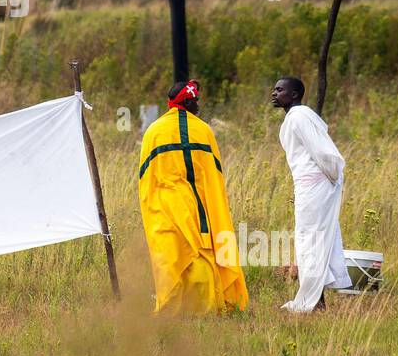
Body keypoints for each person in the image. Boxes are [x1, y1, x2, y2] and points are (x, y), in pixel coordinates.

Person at [137, 79, 248, 314]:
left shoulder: (153, 131)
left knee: (170, 255)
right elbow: (213, 177)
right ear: (187, 101)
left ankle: (171, 310)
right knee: (202, 253)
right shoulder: (204, 130)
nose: (198, 104)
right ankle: (206, 308)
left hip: (164, 206)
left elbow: (146, 181)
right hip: (199, 205)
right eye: (195, 100)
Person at [270, 76, 352, 312]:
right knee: (311, 240)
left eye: (280, 89)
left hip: (316, 186)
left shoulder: (300, 116)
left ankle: (313, 301)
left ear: (294, 94)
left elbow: (325, 153)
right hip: (308, 186)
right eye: (274, 89)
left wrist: (327, 182)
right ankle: (317, 299)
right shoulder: (293, 118)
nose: (274, 93)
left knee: (311, 241)